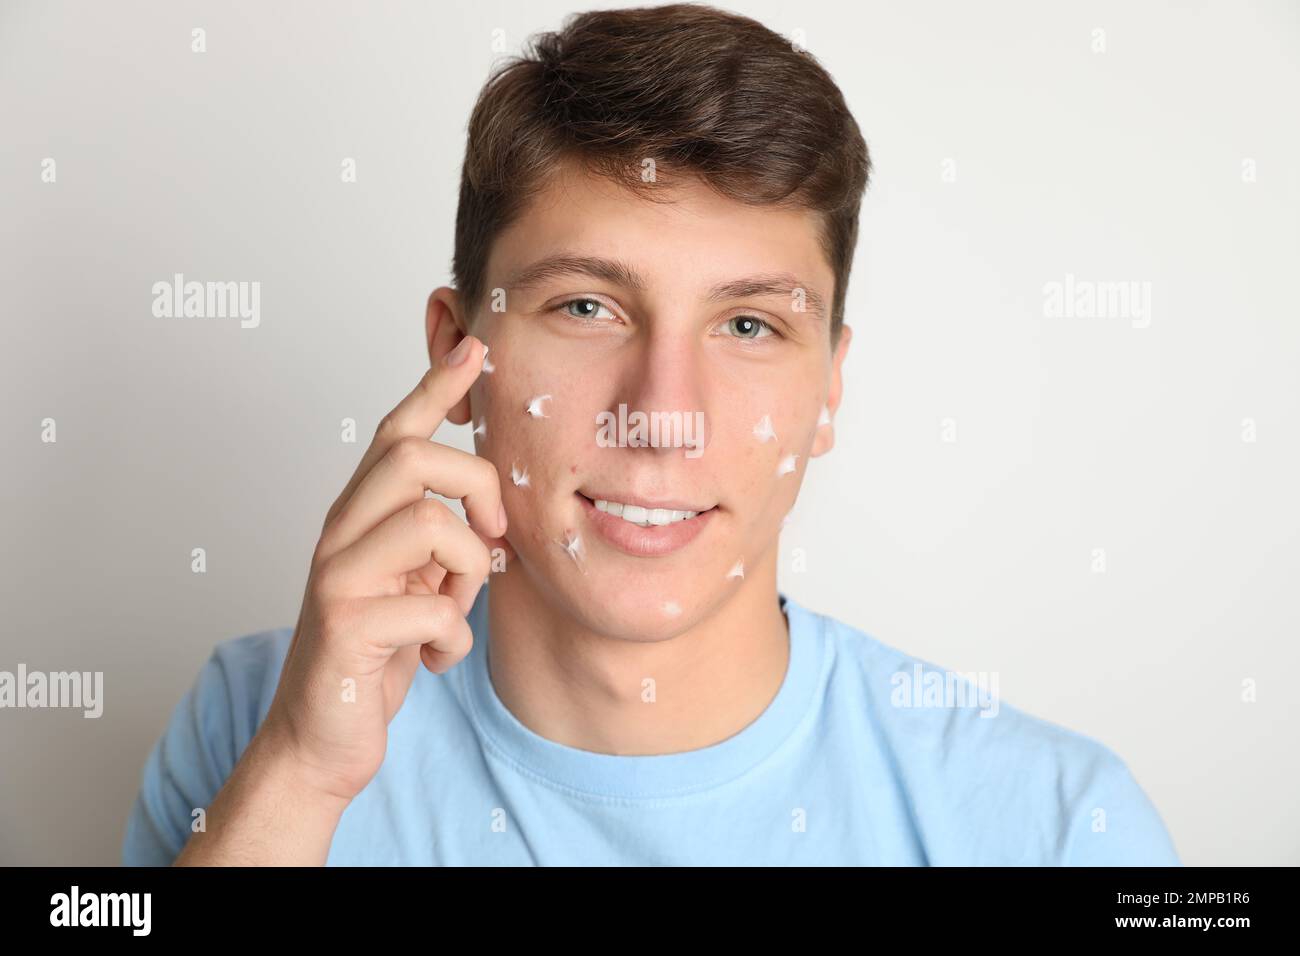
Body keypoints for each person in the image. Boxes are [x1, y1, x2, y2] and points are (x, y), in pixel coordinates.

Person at [122, 3, 1180, 866]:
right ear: (457, 356)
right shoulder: (254, 721)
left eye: (749, 324)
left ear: (828, 392)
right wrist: (302, 771)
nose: (661, 412)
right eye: (587, 306)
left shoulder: (1057, 825)